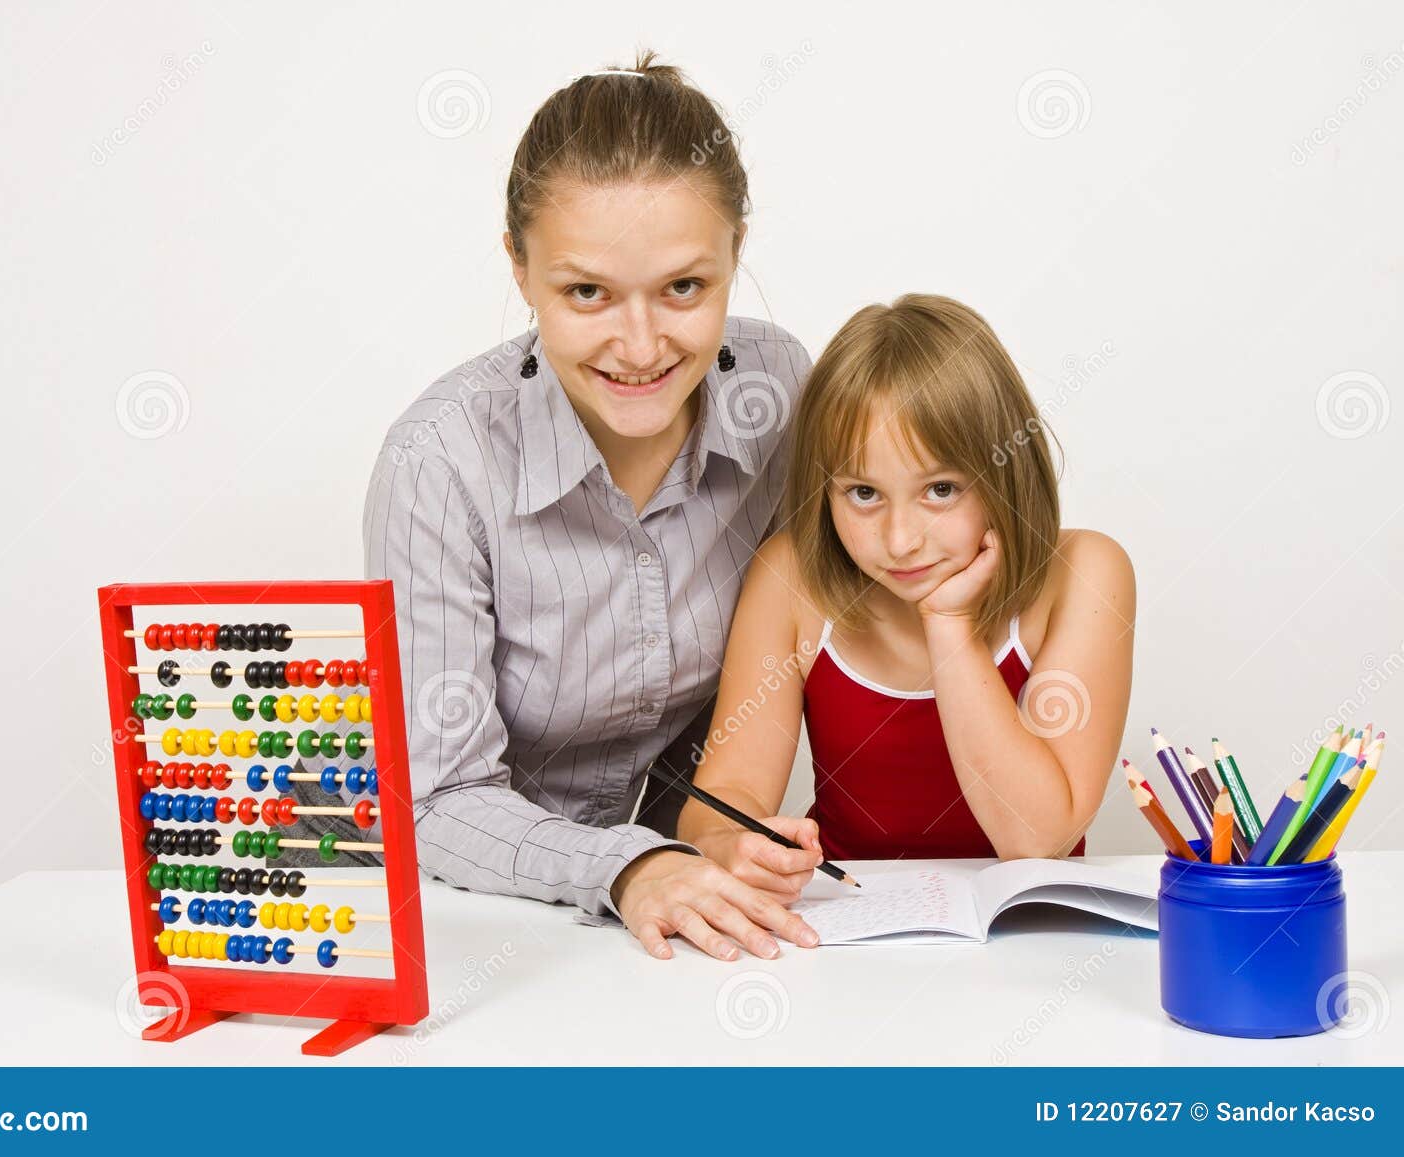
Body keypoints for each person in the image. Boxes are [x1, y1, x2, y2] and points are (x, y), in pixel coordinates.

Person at [285, 51, 819, 962]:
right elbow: (437, 798)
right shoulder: (440, 462)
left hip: (671, 915)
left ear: (737, 252)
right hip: (462, 911)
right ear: (520, 270)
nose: (641, 345)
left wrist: (724, 830)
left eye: (686, 287)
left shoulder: (779, 390)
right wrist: (630, 866)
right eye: (586, 293)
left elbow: (786, 650)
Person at [678, 294, 1136, 909]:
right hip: (850, 928)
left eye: (940, 489)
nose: (899, 540)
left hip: (1030, 936)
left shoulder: (1084, 572)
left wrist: (949, 625)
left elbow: (1036, 839)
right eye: (863, 493)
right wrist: (733, 843)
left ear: (1005, 473)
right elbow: (724, 796)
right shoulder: (791, 576)